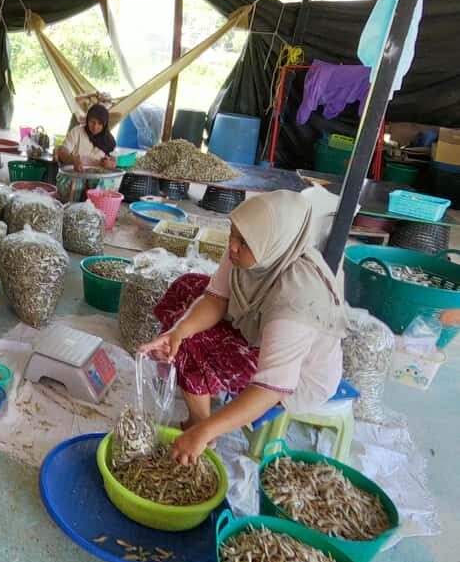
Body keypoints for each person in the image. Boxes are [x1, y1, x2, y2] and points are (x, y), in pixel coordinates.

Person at [139, 191, 346, 466]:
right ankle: (202, 403)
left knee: (193, 346)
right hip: (260, 331)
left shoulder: (296, 298)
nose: (232, 247)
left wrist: (206, 430)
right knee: (187, 287)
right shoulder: (256, 251)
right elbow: (215, 298)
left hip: (296, 377)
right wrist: (176, 332)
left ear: (271, 242)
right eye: (232, 234)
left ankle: (199, 425)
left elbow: (270, 387)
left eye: (243, 242)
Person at [55, 103, 117, 172]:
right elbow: (62, 150)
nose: (95, 127)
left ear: (105, 124)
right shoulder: (77, 131)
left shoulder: (109, 141)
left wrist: (109, 164)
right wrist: (72, 160)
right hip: (76, 176)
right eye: (92, 122)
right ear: (87, 120)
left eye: (100, 123)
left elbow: (113, 162)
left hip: (98, 179)